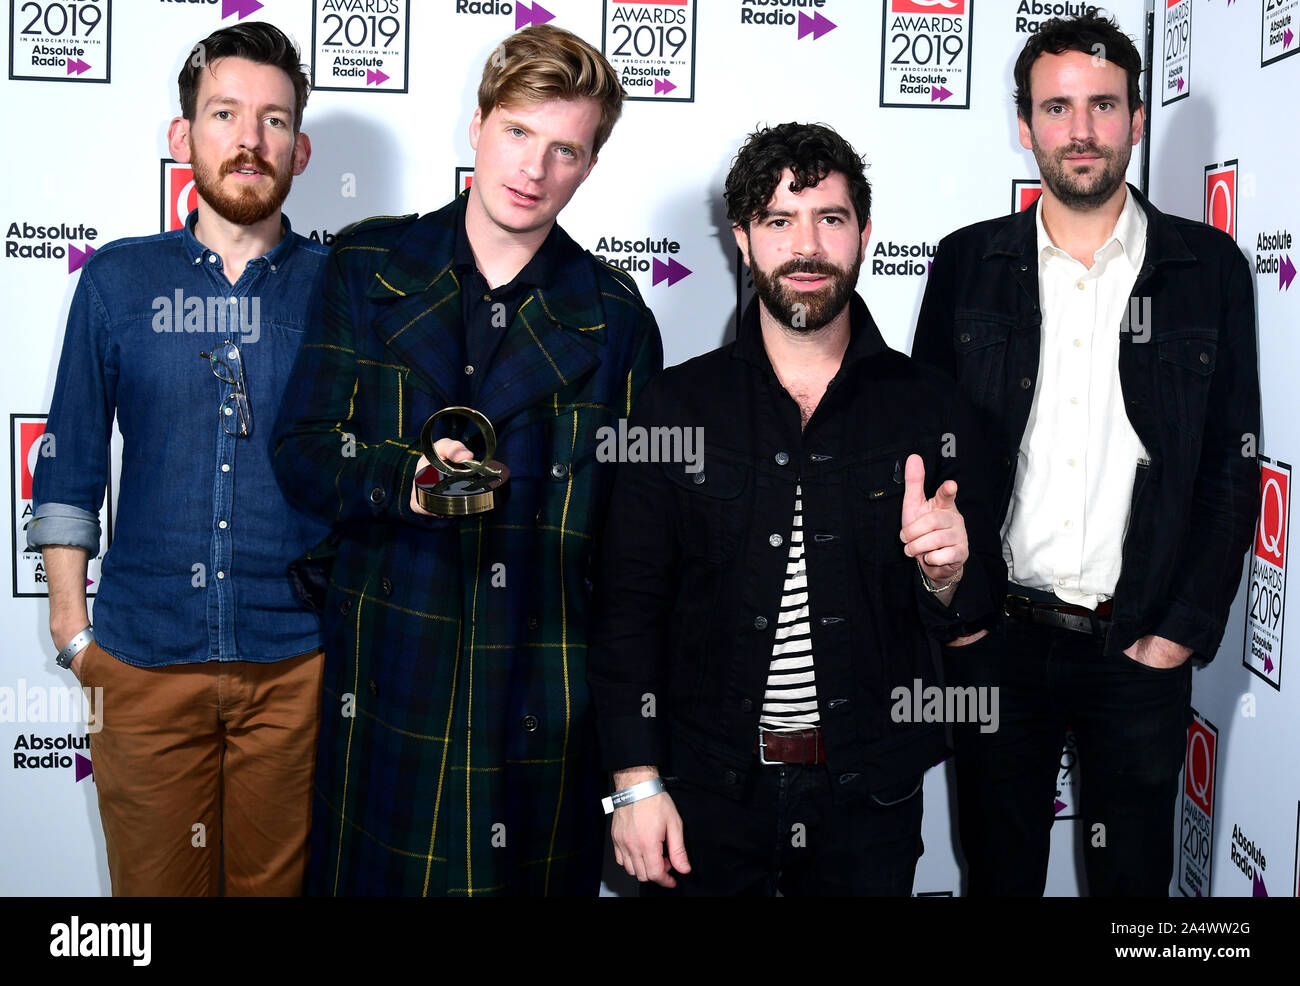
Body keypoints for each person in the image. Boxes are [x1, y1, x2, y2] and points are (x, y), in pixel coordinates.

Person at [271, 24, 663, 897]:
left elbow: (633, 553)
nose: (534, 168)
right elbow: (301, 451)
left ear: (590, 167)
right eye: (519, 133)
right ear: (479, 125)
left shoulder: (614, 316)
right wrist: (400, 480)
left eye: (565, 149)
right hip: (389, 680)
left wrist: (632, 756)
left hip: (543, 702)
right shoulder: (369, 264)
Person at [586, 122, 1003, 896]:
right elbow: (627, 608)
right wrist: (635, 783)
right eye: (780, 221)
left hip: (870, 801)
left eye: (830, 219)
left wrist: (950, 572)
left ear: (865, 235)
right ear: (743, 240)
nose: (806, 246)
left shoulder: (932, 404)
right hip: (704, 795)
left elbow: (974, 618)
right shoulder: (677, 405)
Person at [912, 13, 1260, 896]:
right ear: (1024, 126)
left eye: (1103, 106)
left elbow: (1230, 464)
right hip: (997, 642)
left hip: (1138, 645)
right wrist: (965, 620)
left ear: (1137, 119)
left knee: (1133, 894)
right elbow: (925, 445)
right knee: (997, 878)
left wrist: (1179, 634)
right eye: (1056, 108)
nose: (1080, 130)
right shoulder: (967, 264)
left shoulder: (1206, 269)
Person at [28, 22, 331, 895]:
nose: (248, 140)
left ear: (301, 149)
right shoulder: (118, 282)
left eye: (273, 121)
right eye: (225, 113)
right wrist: (71, 633)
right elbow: (73, 459)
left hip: (296, 668)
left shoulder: (342, 286)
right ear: (182, 136)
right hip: (143, 661)